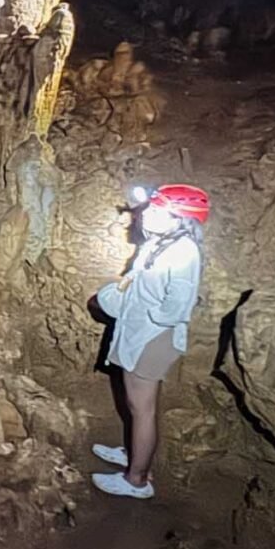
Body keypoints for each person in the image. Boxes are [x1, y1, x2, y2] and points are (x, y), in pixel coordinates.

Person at [89, 184, 207, 500]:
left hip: (154, 337)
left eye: (159, 211)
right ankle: (134, 454)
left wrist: (126, 306)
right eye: (150, 208)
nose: (148, 215)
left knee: (142, 408)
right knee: (137, 404)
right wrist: (119, 299)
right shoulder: (160, 242)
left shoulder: (183, 253)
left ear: (182, 220)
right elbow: (140, 285)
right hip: (141, 332)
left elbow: (175, 309)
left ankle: (137, 479)